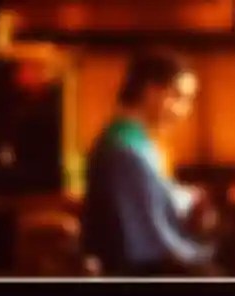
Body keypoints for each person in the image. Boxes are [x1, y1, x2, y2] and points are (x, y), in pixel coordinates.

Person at [80, 48, 218, 276]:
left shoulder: (135, 143)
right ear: (151, 91)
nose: (184, 111)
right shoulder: (124, 150)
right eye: (178, 97)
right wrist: (203, 256)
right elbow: (152, 241)